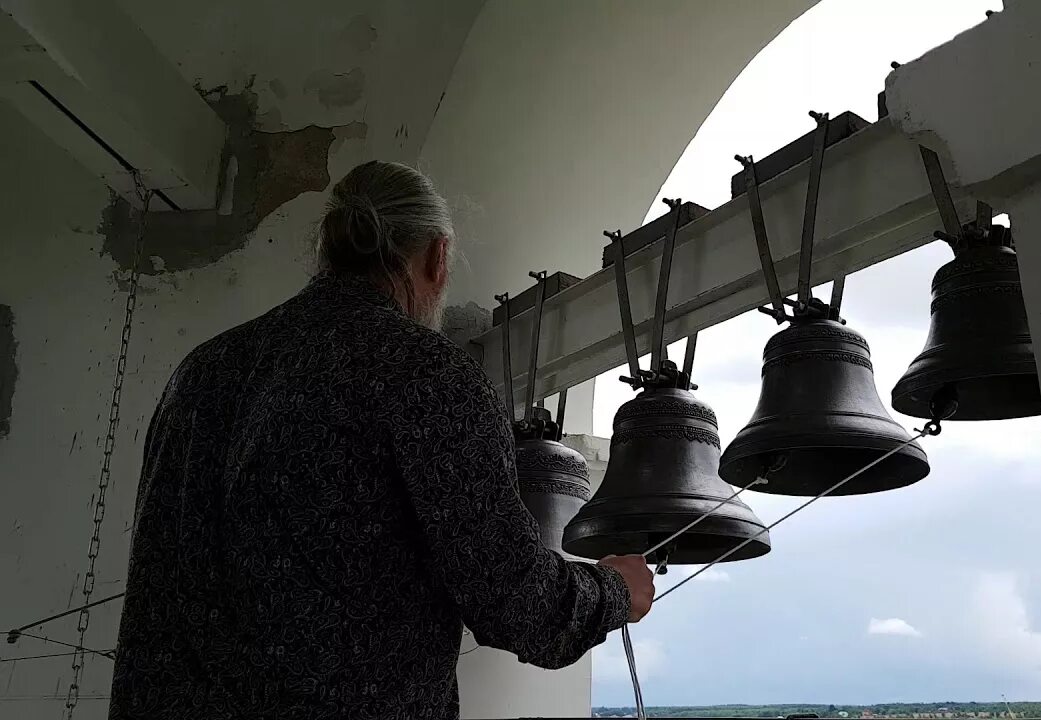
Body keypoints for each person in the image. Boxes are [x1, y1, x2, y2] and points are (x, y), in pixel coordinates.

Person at [109, 161, 655, 720]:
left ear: (329, 249)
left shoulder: (202, 373)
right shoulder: (422, 372)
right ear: (437, 258)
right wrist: (613, 590)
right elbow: (514, 601)